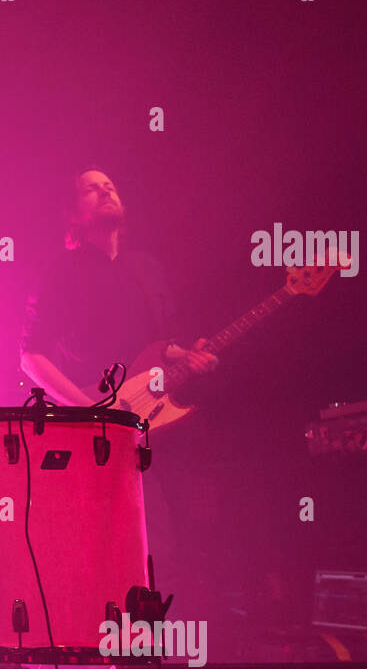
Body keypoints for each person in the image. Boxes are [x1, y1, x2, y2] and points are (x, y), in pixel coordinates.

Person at [18, 166, 218, 603]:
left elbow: (162, 346)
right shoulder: (60, 272)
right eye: (91, 188)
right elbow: (30, 356)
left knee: (175, 546)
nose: (105, 190)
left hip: (158, 427)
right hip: (100, 431)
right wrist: (90, 412)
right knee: (122, 546)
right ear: (72, 214)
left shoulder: (147, 268)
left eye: (110, 185)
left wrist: (188, 355)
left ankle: (167, 654)